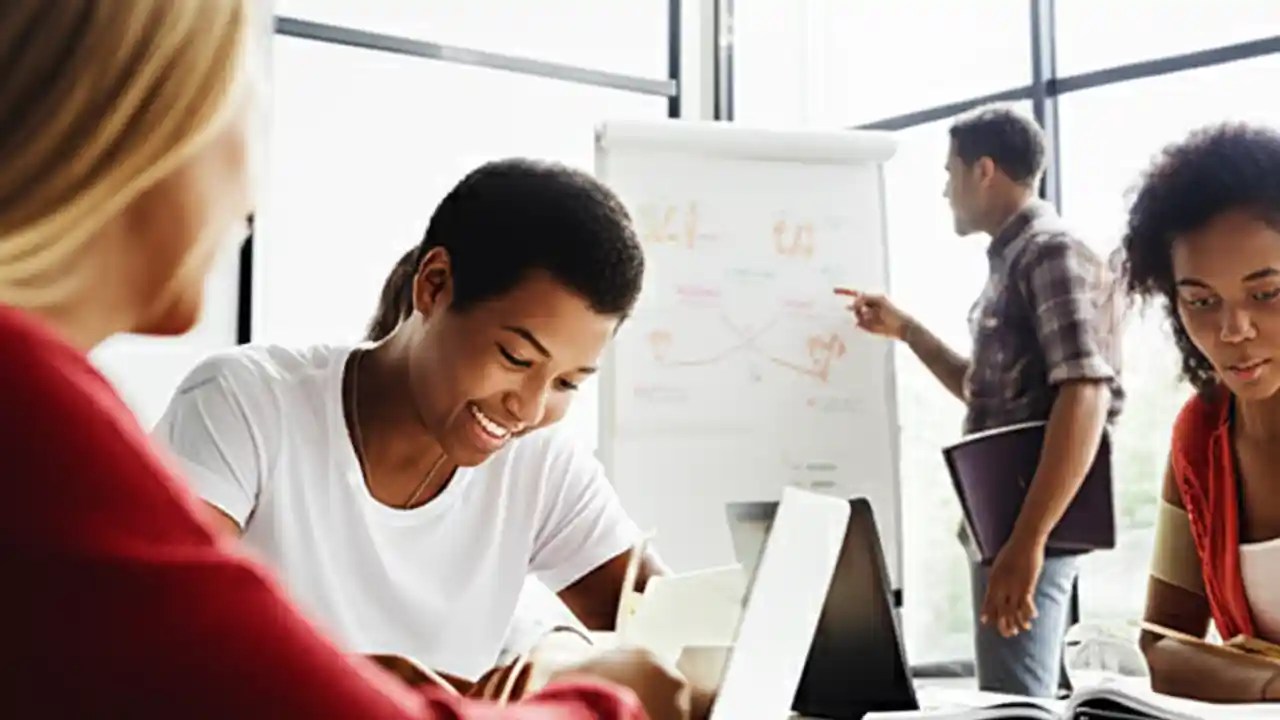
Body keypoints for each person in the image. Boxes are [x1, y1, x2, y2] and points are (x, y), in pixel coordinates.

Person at [0, 1, 689, 717]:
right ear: (124, 137)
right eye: (235, 100)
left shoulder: (39, 391)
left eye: (571, 381)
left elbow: (668, 620)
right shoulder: (36, 413)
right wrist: (606, 699)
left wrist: (563, 645)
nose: (254, 170)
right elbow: (209, 674)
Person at [150, 157, 667, 691]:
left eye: (567, 384)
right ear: (435, 285)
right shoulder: (243, 403)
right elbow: (164, 634)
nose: (530, 409)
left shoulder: (545, 466)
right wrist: (400, 690)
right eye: (515, 358)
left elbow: (681, 644)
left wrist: (565, 653)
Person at [836, 105, 1123, 697]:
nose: (946, 190)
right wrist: (908, 330)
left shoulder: (1049, 251)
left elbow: (1087, 390)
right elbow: (987, 391)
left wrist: (1027, 543)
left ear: (984, 170)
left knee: (1015, 705)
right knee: (1009, 696)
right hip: (1006, 524)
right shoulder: (1016, 259)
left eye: (951, 172)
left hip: (1026, 523)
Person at [1124, 123, 1280, 704]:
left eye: (1267, 293)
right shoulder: (1198, 437)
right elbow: (1162, 645)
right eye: (1201, 302)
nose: (1232, 331)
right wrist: (1271, 686)